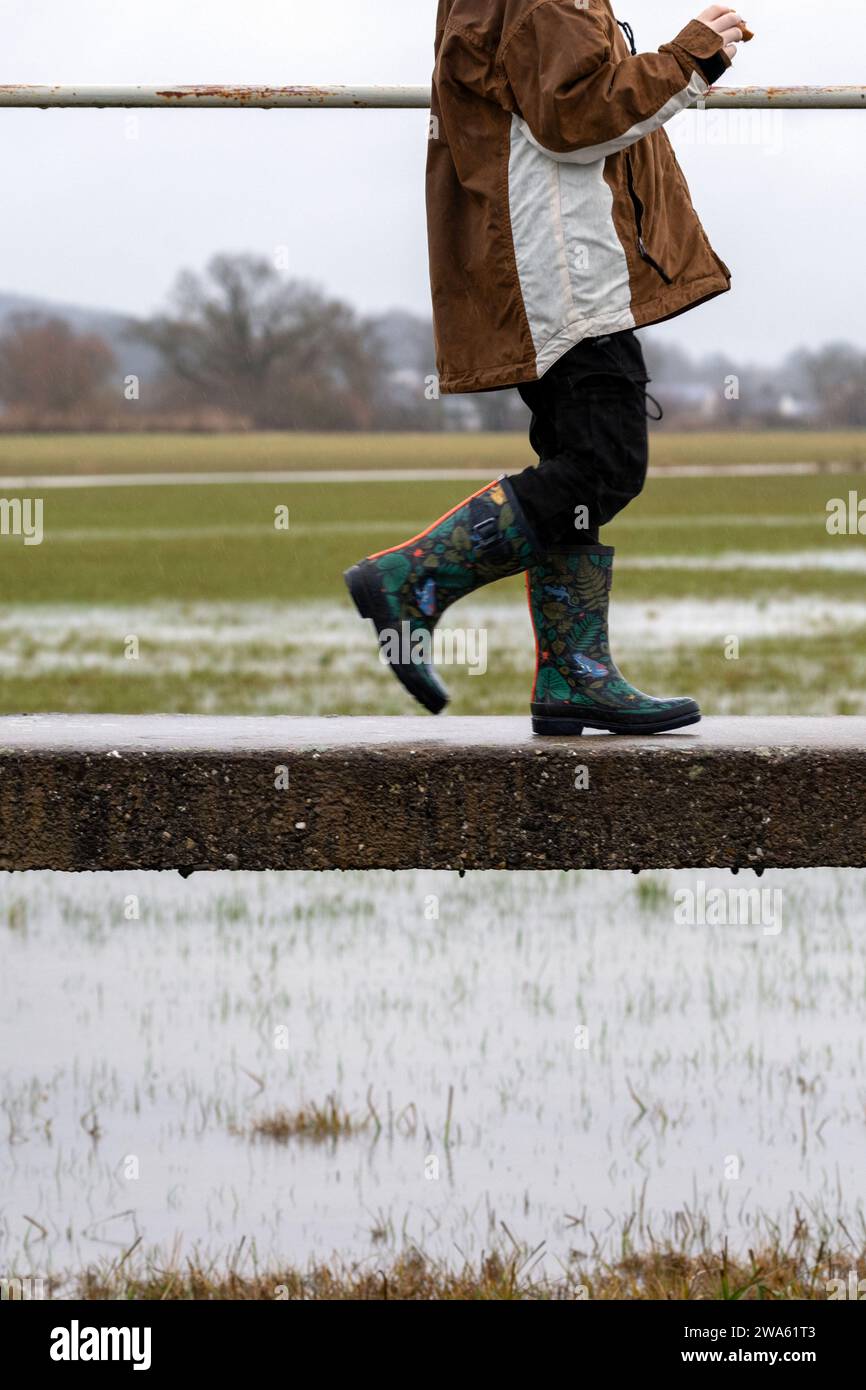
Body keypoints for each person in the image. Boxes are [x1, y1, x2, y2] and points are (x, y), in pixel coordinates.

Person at [345, 2, 749, 736]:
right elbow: (574, 116)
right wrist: (688, 60)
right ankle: (411, 578)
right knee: (604, 466)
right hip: (566, 262)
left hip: (544, 255)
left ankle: (573, 673)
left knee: (578, 463)